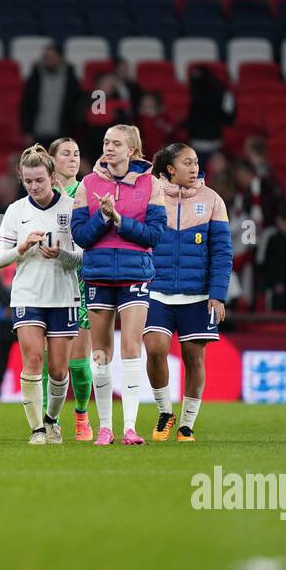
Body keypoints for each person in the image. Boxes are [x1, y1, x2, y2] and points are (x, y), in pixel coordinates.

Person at [71, 124, 167, 446]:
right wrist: (101, 216)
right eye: (105, 143)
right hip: (98, 273)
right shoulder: (88, 183)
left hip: (135, 272)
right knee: (100, 353)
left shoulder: (151, 185)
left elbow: (154, 235)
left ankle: (129, 428)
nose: (108, 148)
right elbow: (80, 236)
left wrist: (119, 221)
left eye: (116, 144)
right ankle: (105, 428)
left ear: (132, 150)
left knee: (130, 348)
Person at [0, 145, 84, 444]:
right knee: (32, 359)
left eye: (40, 181)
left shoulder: (71, 208)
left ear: (52, 177)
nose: (34, 187)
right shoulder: (16, 210)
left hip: (63, 295)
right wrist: (21, 249)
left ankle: (52, 420)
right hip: (27, 295)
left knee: (58, 370)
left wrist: (61, 255)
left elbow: (84, 256)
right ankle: (36, 429)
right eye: (28, 181)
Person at [144, 143, 232, 442]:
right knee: (155, 350)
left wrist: (217, 294)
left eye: (196, 162)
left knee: (194, 358)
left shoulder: (212, 200)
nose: (194, 167)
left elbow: (222, 252)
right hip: (156, 289)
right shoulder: (150, 195)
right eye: (187, 163)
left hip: (197, 294)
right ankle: (165, 412)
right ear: (170, 168)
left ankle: (186, 424)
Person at [49, 137, 93, 440]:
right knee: (47, 361)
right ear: (52, 160)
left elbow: (90, 236)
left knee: (78, 361)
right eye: (65, 154)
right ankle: (46, 420)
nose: (73, 158)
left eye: (76, 153)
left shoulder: (87, 192)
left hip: (80, 279)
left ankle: (81, 414)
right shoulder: (39, 194)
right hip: (48, 280)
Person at [19, 44, 83, 141]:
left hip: (62, 134)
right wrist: (27, 131)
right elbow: (26, 105)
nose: (48, 60)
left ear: (60, 58)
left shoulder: (70, 79)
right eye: (46, 57)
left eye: (52, 57)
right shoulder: (35, 77)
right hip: (38, 133)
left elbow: (75, 106)